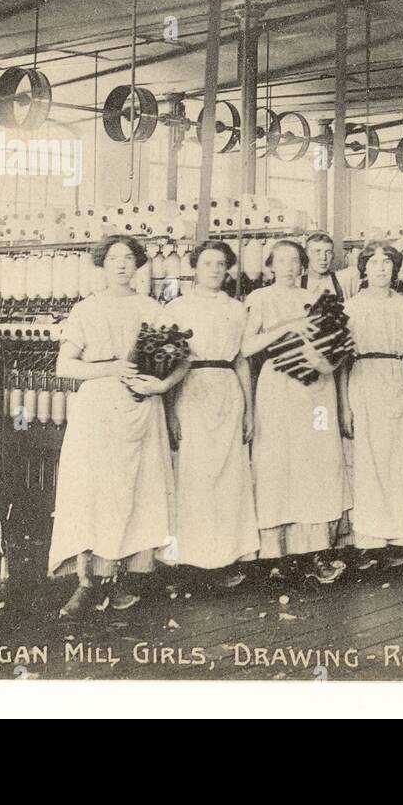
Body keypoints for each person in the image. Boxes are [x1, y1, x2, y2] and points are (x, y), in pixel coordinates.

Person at [48, 235, 188, 619]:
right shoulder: (86, 310)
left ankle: (132, 577)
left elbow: (181, 359)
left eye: (129, 258)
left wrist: (162, 385)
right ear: (102, 264)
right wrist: (112, 368)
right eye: (114, 258)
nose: (122, 265)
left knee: (140, 491)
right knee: (93, 494)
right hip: (98, 410)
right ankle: (87, 582)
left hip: (143, 408)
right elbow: (65, 367)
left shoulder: (153, 308)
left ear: (139, 264)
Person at [242, 239, 349, 584]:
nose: (288, 267)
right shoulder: (259, 299)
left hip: (316, 391)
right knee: (276, 464)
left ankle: (317, 551)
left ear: (303, 267)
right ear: (270, 266)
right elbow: (247, 347)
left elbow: (339, 350)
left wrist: (325, 363)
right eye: (281, 261)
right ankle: (276, 555)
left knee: (316, 462)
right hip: (277, 387)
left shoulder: (316, 299)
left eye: (295, 261)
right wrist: (288, 325)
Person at [162, 240, 260, 587]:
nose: (215, 270)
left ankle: (226, 558)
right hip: (190, 389)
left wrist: (248, 410)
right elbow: (169, 362)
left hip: (227, 390)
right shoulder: (176, 308)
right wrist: (171, 410)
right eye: (207, 263)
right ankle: (189, 561)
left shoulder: (238, 309)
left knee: (228, 476)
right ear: (195, 267)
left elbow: (242, 360)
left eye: (221, 264)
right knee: (192, 474)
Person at [340, 242, 403, 569]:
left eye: (386, 262)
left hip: (398, 378)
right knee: (367, 459)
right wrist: (346, 405)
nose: (380, 268)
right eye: (373, 262)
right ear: (364, 268)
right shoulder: (350, 307)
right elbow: (343, 358)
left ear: (395, 268)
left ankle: (400, 536)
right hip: (364, 378)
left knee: (399, 458)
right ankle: (368, 540)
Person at [301, 207, 403, 300]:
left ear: (332, 256)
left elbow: (381, 255)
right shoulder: (296, 283)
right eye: (317, 252)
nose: (323, 258)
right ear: (306, 254)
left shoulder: (344, 279)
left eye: (328, 252)